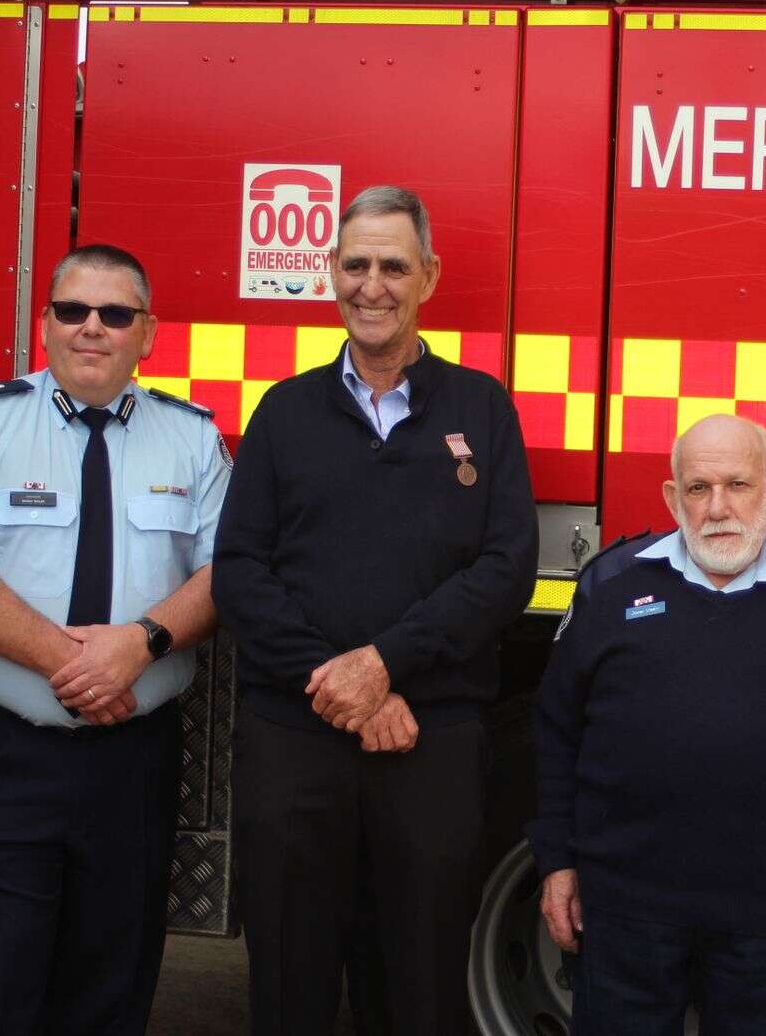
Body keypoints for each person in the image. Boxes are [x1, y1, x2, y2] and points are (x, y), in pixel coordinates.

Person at [213, 184, 538, 1035]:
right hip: (295, 739)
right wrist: (341, 683)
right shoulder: (283, 412)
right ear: (329, 273)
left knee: (420, 987)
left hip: (429, 740)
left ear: (427, 275)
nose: (373, 284)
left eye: (394, 265)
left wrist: (384, 665)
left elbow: (507, 570)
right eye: (355, 264)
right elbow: (241, 571)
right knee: (290, 980)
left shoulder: (482, 408)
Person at [0, 244, 229, 1034]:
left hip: (131, 766)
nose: (92, 328)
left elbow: (225, 573)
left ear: (148, 333)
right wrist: (77, 665)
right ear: (44, 325)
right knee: (0, 978)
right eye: (72, 310)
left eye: (115, 314)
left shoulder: (192, 438)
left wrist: (139, 645)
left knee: (111, 987)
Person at [528, 413, 766, 1036]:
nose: (718, 507)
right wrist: (556, 861)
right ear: (673, 498)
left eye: (738, 485)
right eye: (698, 488)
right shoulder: (612, 585)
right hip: (626, 915)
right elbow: (556, 735)